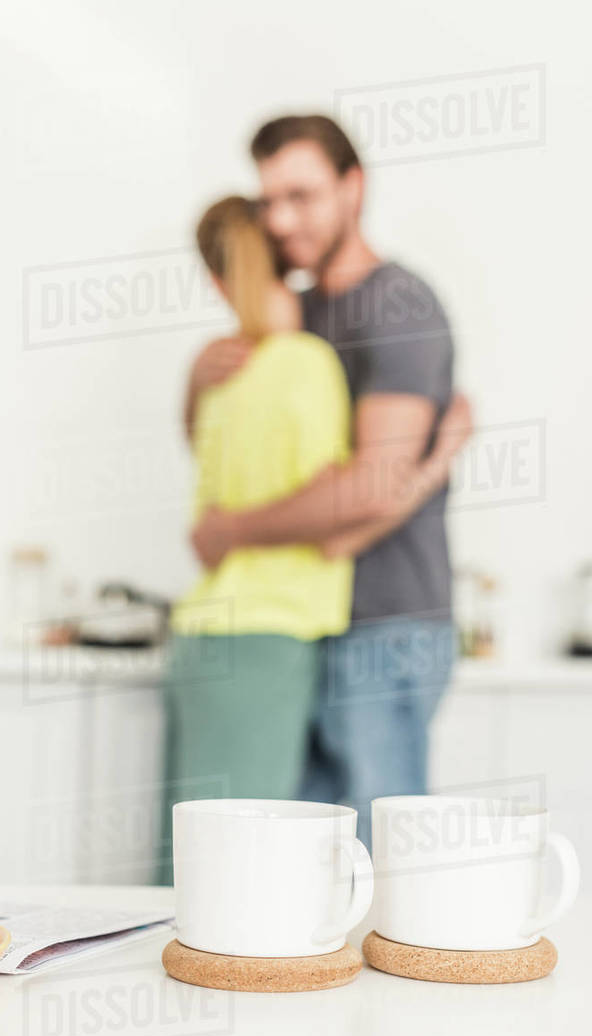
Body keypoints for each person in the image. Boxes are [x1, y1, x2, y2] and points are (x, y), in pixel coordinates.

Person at [161, 192, 469, 881]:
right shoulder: (305, 365)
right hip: (268, 636)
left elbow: (208, 469)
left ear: (217, 278)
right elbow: (351, 504)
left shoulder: (221, 373)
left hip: (215, 633)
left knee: (207, 860)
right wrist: (439, 456)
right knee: (247, 870)